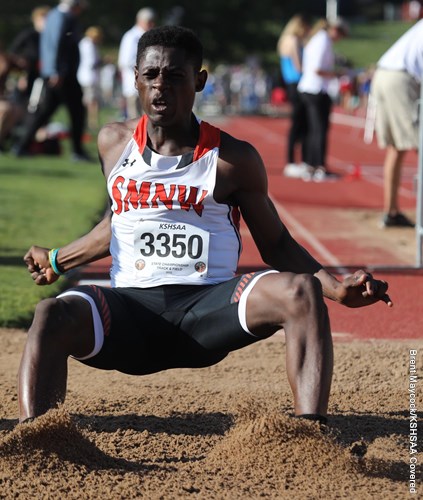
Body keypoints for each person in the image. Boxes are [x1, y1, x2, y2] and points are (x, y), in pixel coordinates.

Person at [20, 26, 392, 426]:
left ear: (199, 80)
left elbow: (278, 245)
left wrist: (335, 289)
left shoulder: (233, 159)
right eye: (151, 75)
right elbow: (118, 222)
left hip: (207, 312)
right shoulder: (113, 142)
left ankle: (310, 434)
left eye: (176, 76)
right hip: (128, 314)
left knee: (300, 291)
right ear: (135, 79)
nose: (161, 86)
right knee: (51, 314)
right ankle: (37, 437)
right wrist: (58, 259)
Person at [12, 0, 91, 162]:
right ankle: (77, 151)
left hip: (58, 73)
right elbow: (56, 44)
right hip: (63, 75)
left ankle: (21, 145)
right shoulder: (63, 17)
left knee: (45, 111)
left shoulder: (55, 15)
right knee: (77, 112)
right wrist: (57, 71)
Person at [370, 20, 423, 228]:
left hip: (384, 74)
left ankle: (391, 212)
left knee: (397, 148)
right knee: (420, 147)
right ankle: (392, 212)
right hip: (400, 79)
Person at [297, 18, 349, 181]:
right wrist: (336, 74)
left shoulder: (317, 39)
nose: (339, 39)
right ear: (335, 30)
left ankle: (311, 165)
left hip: (310, 87)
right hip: (316, 89)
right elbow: (317, 69)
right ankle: (318, 167)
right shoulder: (323, 40)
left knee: (314, 129)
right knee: (319, 129)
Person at [277, 14, 311, 179]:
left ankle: (292, 161)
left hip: (290, 84)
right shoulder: (294, 40)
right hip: (298, 84)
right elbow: (299, 66)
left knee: (296, 124)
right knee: (301, 124)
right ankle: (295, 162)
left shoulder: (284, 40)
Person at [8, 6, 50, 108]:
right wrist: (21, 75)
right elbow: (13, 52)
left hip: (41, 73)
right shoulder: (28, 34)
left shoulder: (48, 37)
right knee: (20, 99)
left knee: (40, 101)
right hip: (26, 73)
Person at [117, 7, 155, 119]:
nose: (152, 25)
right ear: (141, 21)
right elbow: (125, 61)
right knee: (135, 120)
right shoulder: (131, 37)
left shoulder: (143, 35)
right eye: (149, 22)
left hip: (145, 84)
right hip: (134, 85)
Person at [77, 26, 103, 130]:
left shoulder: (84, 43)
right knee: (92, 102)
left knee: (88, 101)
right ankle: (92, 123)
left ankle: (88, 122)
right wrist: (102, 61)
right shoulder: (89, 45)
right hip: (89, 77)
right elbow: (92, 62)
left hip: (85, 77)